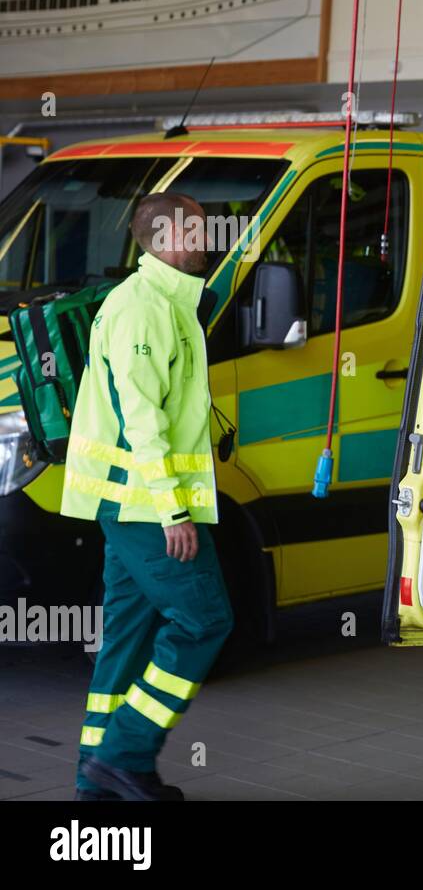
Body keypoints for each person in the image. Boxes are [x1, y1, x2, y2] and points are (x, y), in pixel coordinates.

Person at [62, 191, 233, 801]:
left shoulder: (168, 303)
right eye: (199, 227)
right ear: (167, 236)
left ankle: (95, 779)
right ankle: (125, 754)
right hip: (144, 507)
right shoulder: (141, 309)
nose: (208, 236)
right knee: (205, 619)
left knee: (127, 637)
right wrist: (173, 509)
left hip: (130, 504)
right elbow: (142, 421)